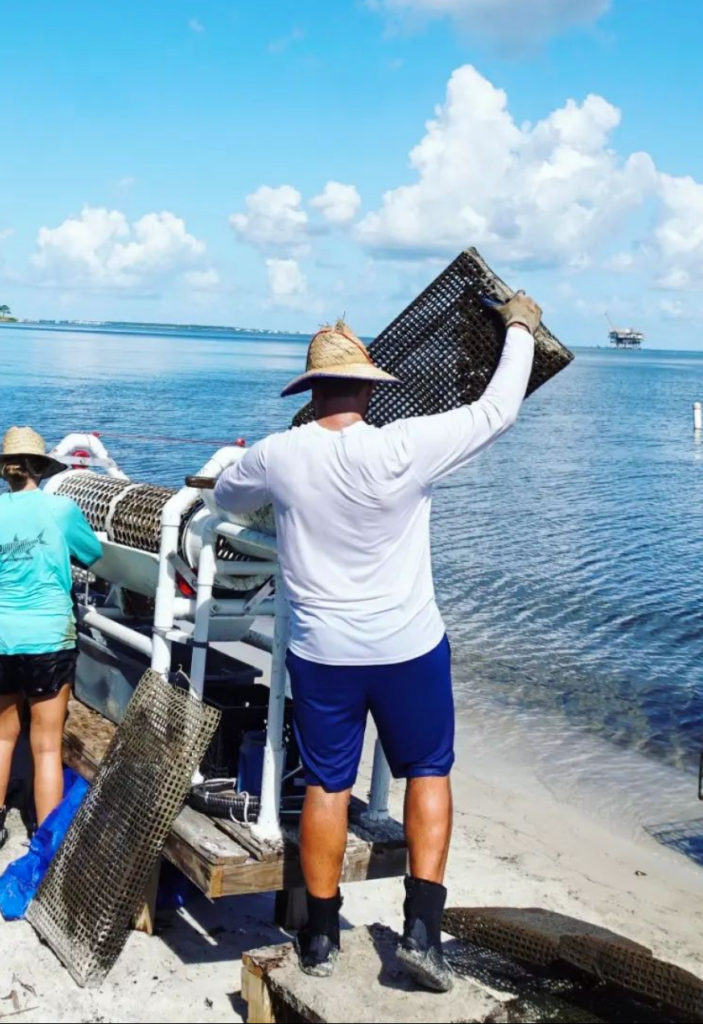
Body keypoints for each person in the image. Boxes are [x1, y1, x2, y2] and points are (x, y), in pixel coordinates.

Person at [214, 295, 540, 989]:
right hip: (409, 646)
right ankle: (423, 935)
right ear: (369, 388)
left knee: (330, 786)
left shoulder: (280, 454)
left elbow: (223, 499)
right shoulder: (406, 445)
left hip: (324, 652)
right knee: (427, 772)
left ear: (309, 392)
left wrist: (259, 469)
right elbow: (497, 410)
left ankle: (322, 938)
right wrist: (519, 328)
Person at [0, 426, 103, 855]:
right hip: (49, 636)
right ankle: (45, 841)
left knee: (2, 734)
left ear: (3, 472)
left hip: (0, 637)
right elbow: (93, 554)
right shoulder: (61, 509)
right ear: (41, 469)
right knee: (46, 745)